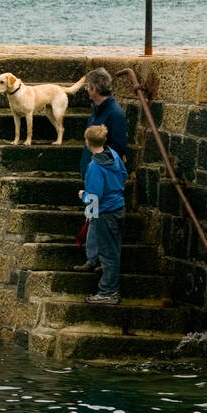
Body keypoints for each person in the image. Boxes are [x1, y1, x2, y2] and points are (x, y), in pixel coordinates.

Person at [75, 67, 129, 270]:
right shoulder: (98, 110)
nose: (87, 90)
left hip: (102, 179)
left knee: (100, 220)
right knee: (92, 216)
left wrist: (99, 169)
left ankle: (100, 261)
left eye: (88, 86)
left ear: (95, 89)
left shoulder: (114, 114)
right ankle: (92, 258)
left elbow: (118, 147)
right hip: (92, 175)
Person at [80, 125, 127, 304]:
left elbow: (94, 196)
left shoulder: (94, 167)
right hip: (119, 207)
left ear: (88, 142)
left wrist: (82, 195)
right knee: (113, 249)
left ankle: (108, 291)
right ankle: (108, 282)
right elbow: (124, 174)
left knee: (108, 253)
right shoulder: (113, 155)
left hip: (105, 212)